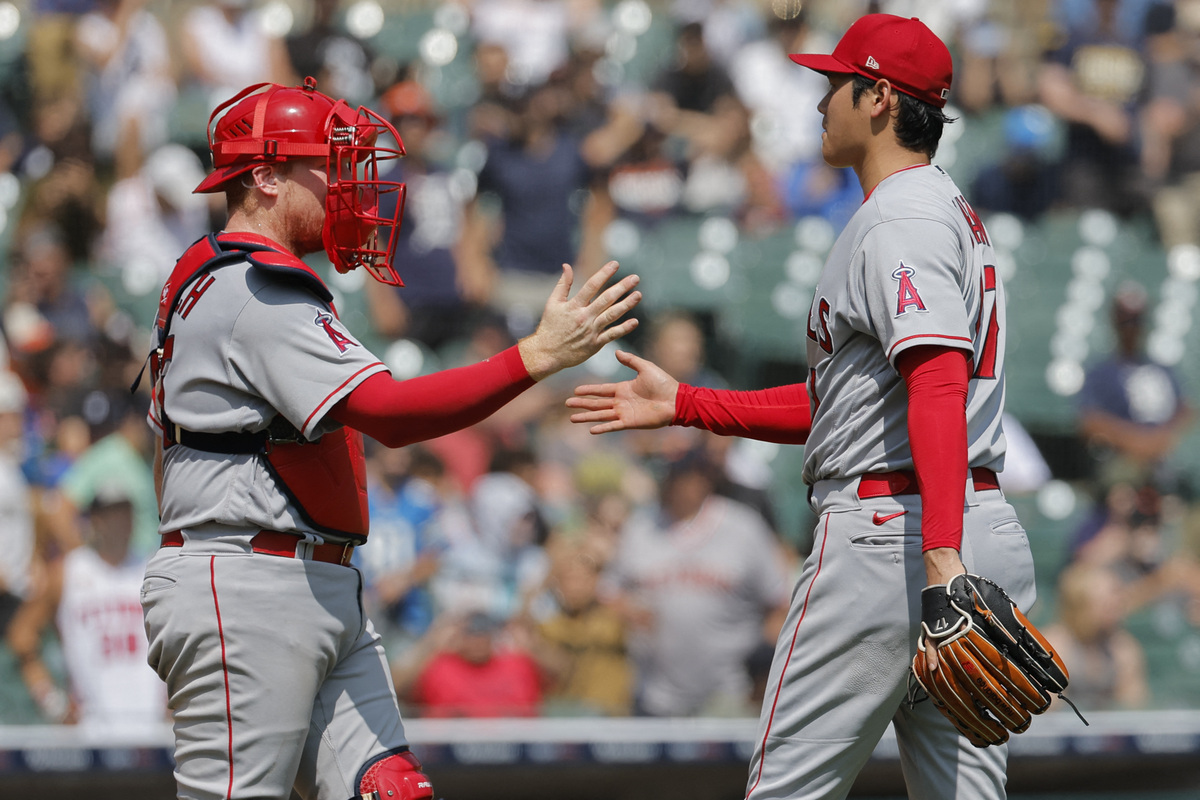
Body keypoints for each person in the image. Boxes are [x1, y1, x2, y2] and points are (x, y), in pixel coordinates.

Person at [570, 14, 1037, 798]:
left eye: (835, 85)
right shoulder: (946, 211)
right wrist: (688, 402)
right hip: (962, 526)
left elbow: (936, 383)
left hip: (897, 540)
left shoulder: (900, 217)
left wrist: (940, 558)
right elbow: (847, 407)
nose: (821, 103)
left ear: (879, 97)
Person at [138, 77, 640, 800]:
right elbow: (393, 414)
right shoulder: (254, 290)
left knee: (390, 790)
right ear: (267, 177)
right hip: (248, 583)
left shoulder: (227, 278)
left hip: (304, 576)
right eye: (330, 165)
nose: (350, 184)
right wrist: (535, 356)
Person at [610, 448, 791, 717]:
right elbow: (609, 592)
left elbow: (778, 603)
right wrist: (629, 610)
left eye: (690, 477)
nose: (682, 485)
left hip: (731, 690)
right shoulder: (640, 527)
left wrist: (763, 671)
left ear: (707, 479)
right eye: (674, 476)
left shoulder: (743, 526)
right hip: (654, 691)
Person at [8, 482, 167, 735]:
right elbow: (21, 637)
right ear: (95, 520)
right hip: (90, 730)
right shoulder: (68, 572)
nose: (118, 522)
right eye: (110, 514)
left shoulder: (155, 570)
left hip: (154, 728)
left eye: (124, 513)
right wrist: (53, 704)